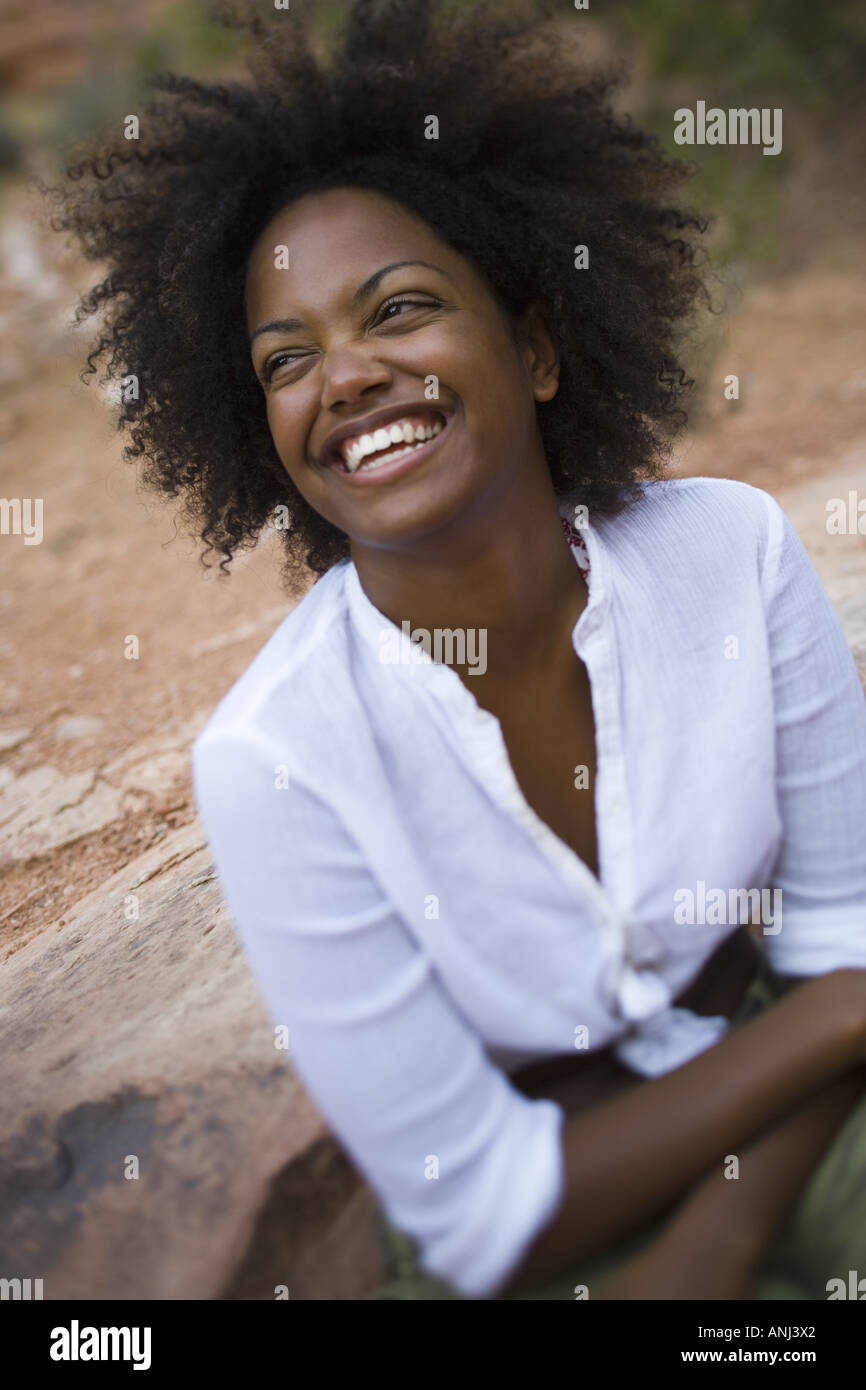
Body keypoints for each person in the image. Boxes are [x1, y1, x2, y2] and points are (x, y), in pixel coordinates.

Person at [46, 0, 866, 1300]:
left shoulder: (733, 553)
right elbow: (482, 1211)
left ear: (535, 345)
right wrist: (824, 1036)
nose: (347, 374)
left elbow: (839, 935)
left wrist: (736, 1209)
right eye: (285, 359)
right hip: (553, 1206)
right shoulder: (278, 759)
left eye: (401, 308)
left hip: (788, 1077)